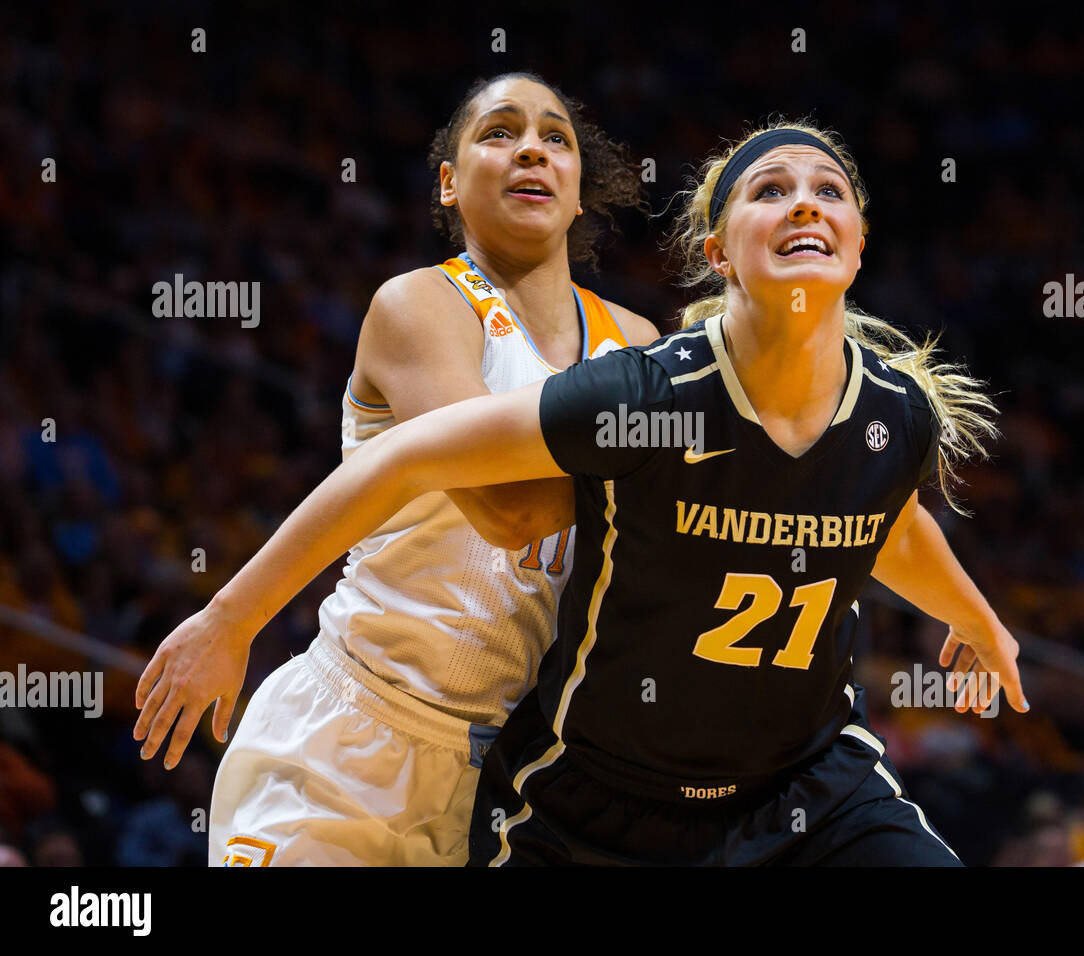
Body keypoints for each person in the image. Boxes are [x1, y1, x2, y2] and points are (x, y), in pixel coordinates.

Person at [138, 120, 1027, 867]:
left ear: (861, 239)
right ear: (717, 252)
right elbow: (402, 458)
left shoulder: (896, 415)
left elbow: (886, 522)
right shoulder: (645, 400)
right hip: (601, 811)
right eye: (770, 190)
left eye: (829, 191)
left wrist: (976, 617)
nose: (803, 202)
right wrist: (230, 616)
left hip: (806, 790)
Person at [133, 72, 660, 866]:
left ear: (579, 191)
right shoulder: (420, 305)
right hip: (351, 734)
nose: (532, 150)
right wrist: (231, 617)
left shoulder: (635, 337)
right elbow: (508, 507)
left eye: (557, 139)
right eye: (500, 132)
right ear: (448, 183)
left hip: (510, 776)